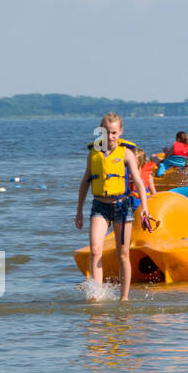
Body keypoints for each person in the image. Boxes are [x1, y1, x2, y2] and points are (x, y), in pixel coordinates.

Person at [75, 113, 150, 301]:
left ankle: (124, 298)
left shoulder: (126, 153)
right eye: (107, 132)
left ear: (120, 132)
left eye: (114, 132)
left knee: (123, 255)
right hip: (99, 206)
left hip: (122, 207)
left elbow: (139, 183)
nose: (110, 137)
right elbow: (85, 182)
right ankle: (96, 294)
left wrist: (145, 208)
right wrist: (79, 211)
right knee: (95, 249)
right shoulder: (93, 153)